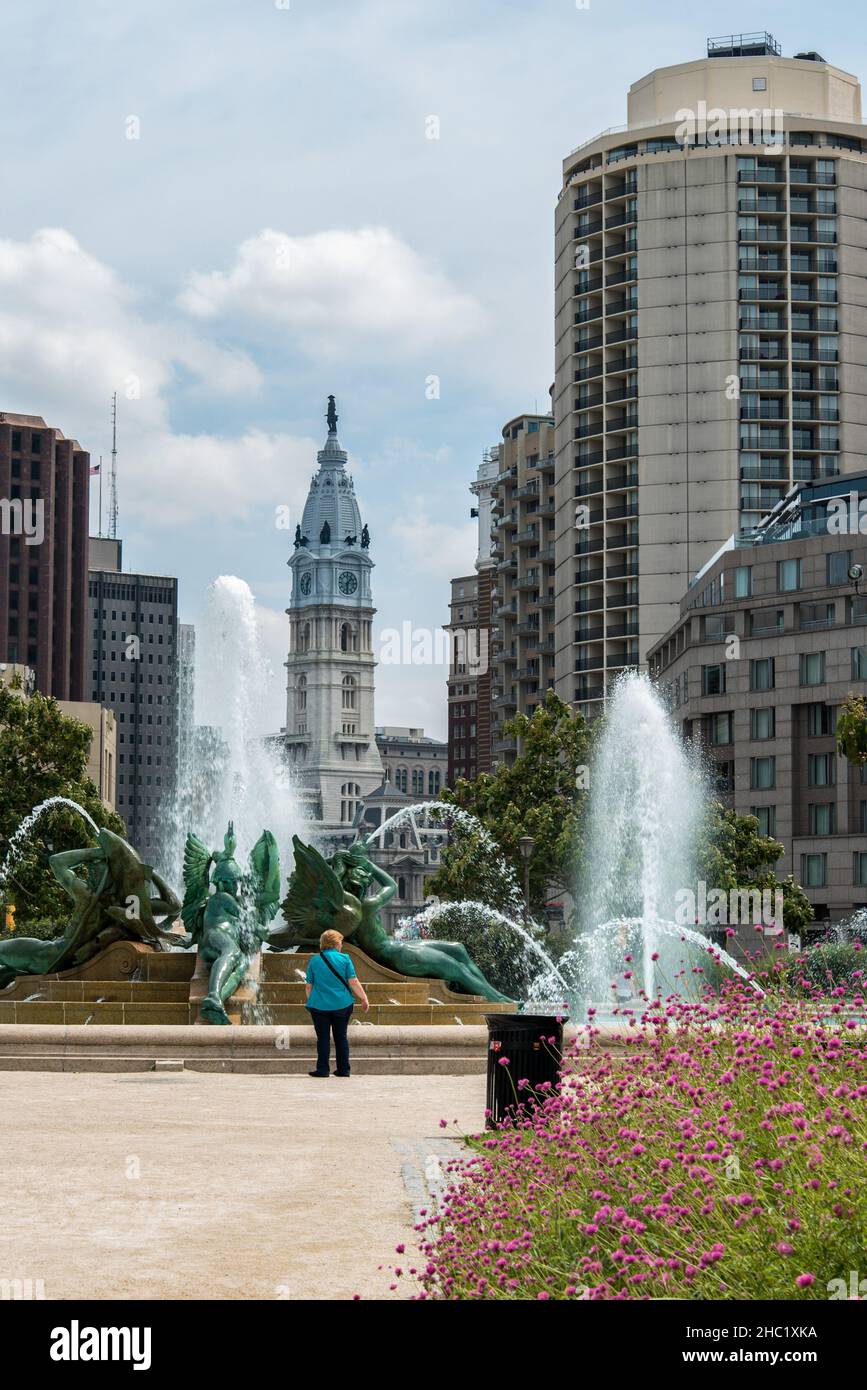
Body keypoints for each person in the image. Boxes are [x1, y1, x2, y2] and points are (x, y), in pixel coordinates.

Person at [305, 929, 369, 1077]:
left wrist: (312, 1001)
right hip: (342, 1004)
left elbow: (309, 985)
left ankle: (322, 1070)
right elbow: (353, 981)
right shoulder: (345, 959)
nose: (341, 945)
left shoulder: (314, 960)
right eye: (340, 942)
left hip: (319, 1006)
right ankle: (344, 1069)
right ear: (334, 944)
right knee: (341, 1037)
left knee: (323, 1038)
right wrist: (364, 998)